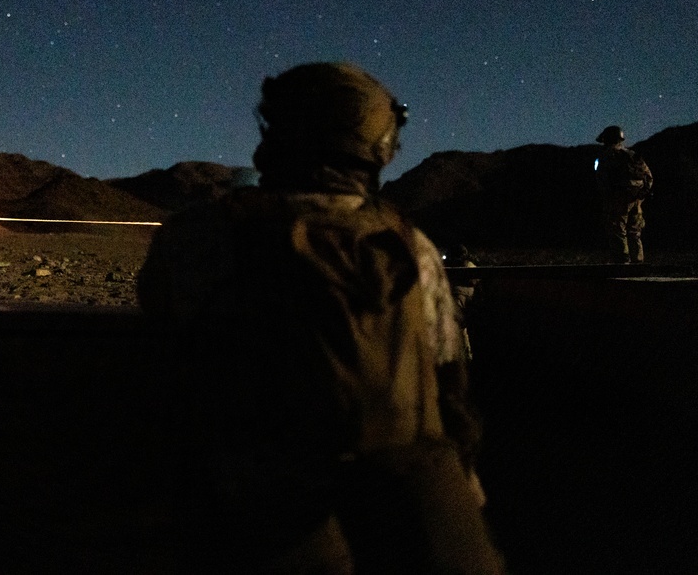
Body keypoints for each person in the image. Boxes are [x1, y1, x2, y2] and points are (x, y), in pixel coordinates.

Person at [138, 63, 503, 573]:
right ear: (377, 143)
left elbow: (167, 346)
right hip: (407, 485)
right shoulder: (407, 243)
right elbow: (449, 377)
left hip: (261, 492)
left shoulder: (197, 236)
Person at [593, 125, 654, 263]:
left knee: (617, 231)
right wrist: (641, 195)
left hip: (618, 199)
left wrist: (608, 197)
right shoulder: (632, 155)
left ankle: (622, 263)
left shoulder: (606, 157)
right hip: (637, 199)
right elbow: (649, 177)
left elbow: (602, 181)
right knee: (635, 233)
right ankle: (638, 263)